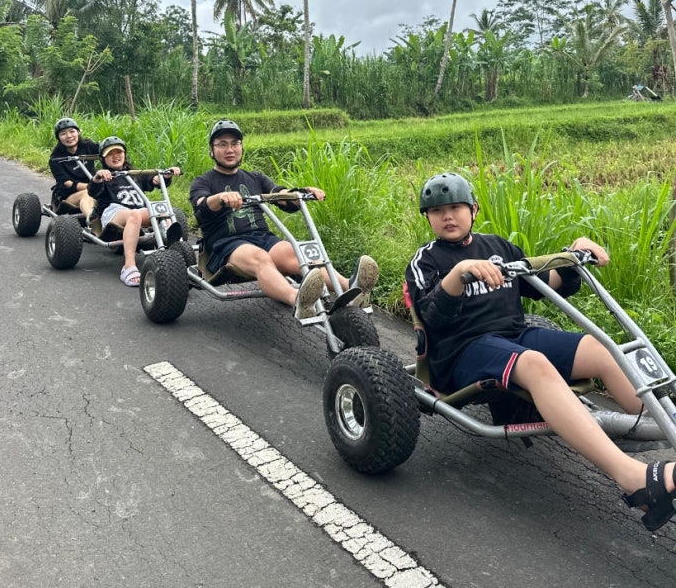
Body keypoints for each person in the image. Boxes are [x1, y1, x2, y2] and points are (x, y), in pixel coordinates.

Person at [405, 171, 676, 532]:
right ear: (428, 217)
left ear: (474, 209)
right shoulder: (426, 260)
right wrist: (458, 274)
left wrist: (573, 256)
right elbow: (432, 318)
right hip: (462, 351)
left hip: (515, 336)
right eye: (437, 211)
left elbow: (548, 283)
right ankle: (633, 478)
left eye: (455, 207)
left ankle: (670, 427)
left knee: (601, 349)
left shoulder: (498, 247)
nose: (447, 216)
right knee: (534, 363)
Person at [189, 119, 379, 320]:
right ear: (212, 151)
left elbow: (281, 195)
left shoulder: (255, 178)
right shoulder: (203, 182)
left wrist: (301, 194)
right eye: (222, 144)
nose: (230, 149)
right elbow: (201, 205)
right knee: (260, 257)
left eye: (235, 143)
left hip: (262, 238)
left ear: (241, 147)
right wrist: (220, 198)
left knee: (295, 252)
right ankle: (298, 300)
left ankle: (351, 288)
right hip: (226, 245)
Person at [89, 136, 181, 287]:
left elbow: (153, 181)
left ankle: (176, 257)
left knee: (163, 211)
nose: (115, 156)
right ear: (103, 158)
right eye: (110, 154)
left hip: (136, 210)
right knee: (135, 215)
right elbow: (93, 191)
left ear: (124, 154)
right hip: (113, 213)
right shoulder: (105, 175)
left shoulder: (135, 174)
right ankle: (129, 266)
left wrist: (166, 175)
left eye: (119, 152)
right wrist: (98, 176)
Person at [49, 118, 100, 219]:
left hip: (93, 188)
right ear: (58, 138)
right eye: (63, 133)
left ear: (78, 132)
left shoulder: (88, 146)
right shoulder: (55, 159)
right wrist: (93, 186)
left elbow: (106, 153)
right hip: (68, 196)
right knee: (87, 193)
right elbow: (68, 183)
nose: (69, 136)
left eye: (72, 131)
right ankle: (92, 220)